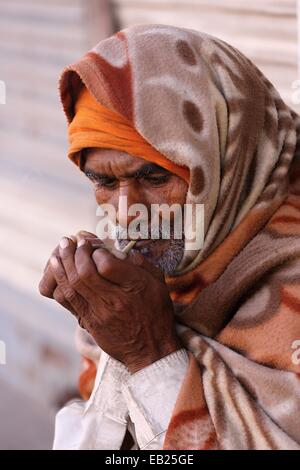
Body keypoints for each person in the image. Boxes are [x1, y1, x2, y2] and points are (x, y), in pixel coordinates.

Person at [39, 24, 300, 450]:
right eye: (103, 182)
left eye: (156, 177)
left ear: (229, 157)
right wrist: (115, 339)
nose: (127, 215)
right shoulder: (165, 264)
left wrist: (149, 354)